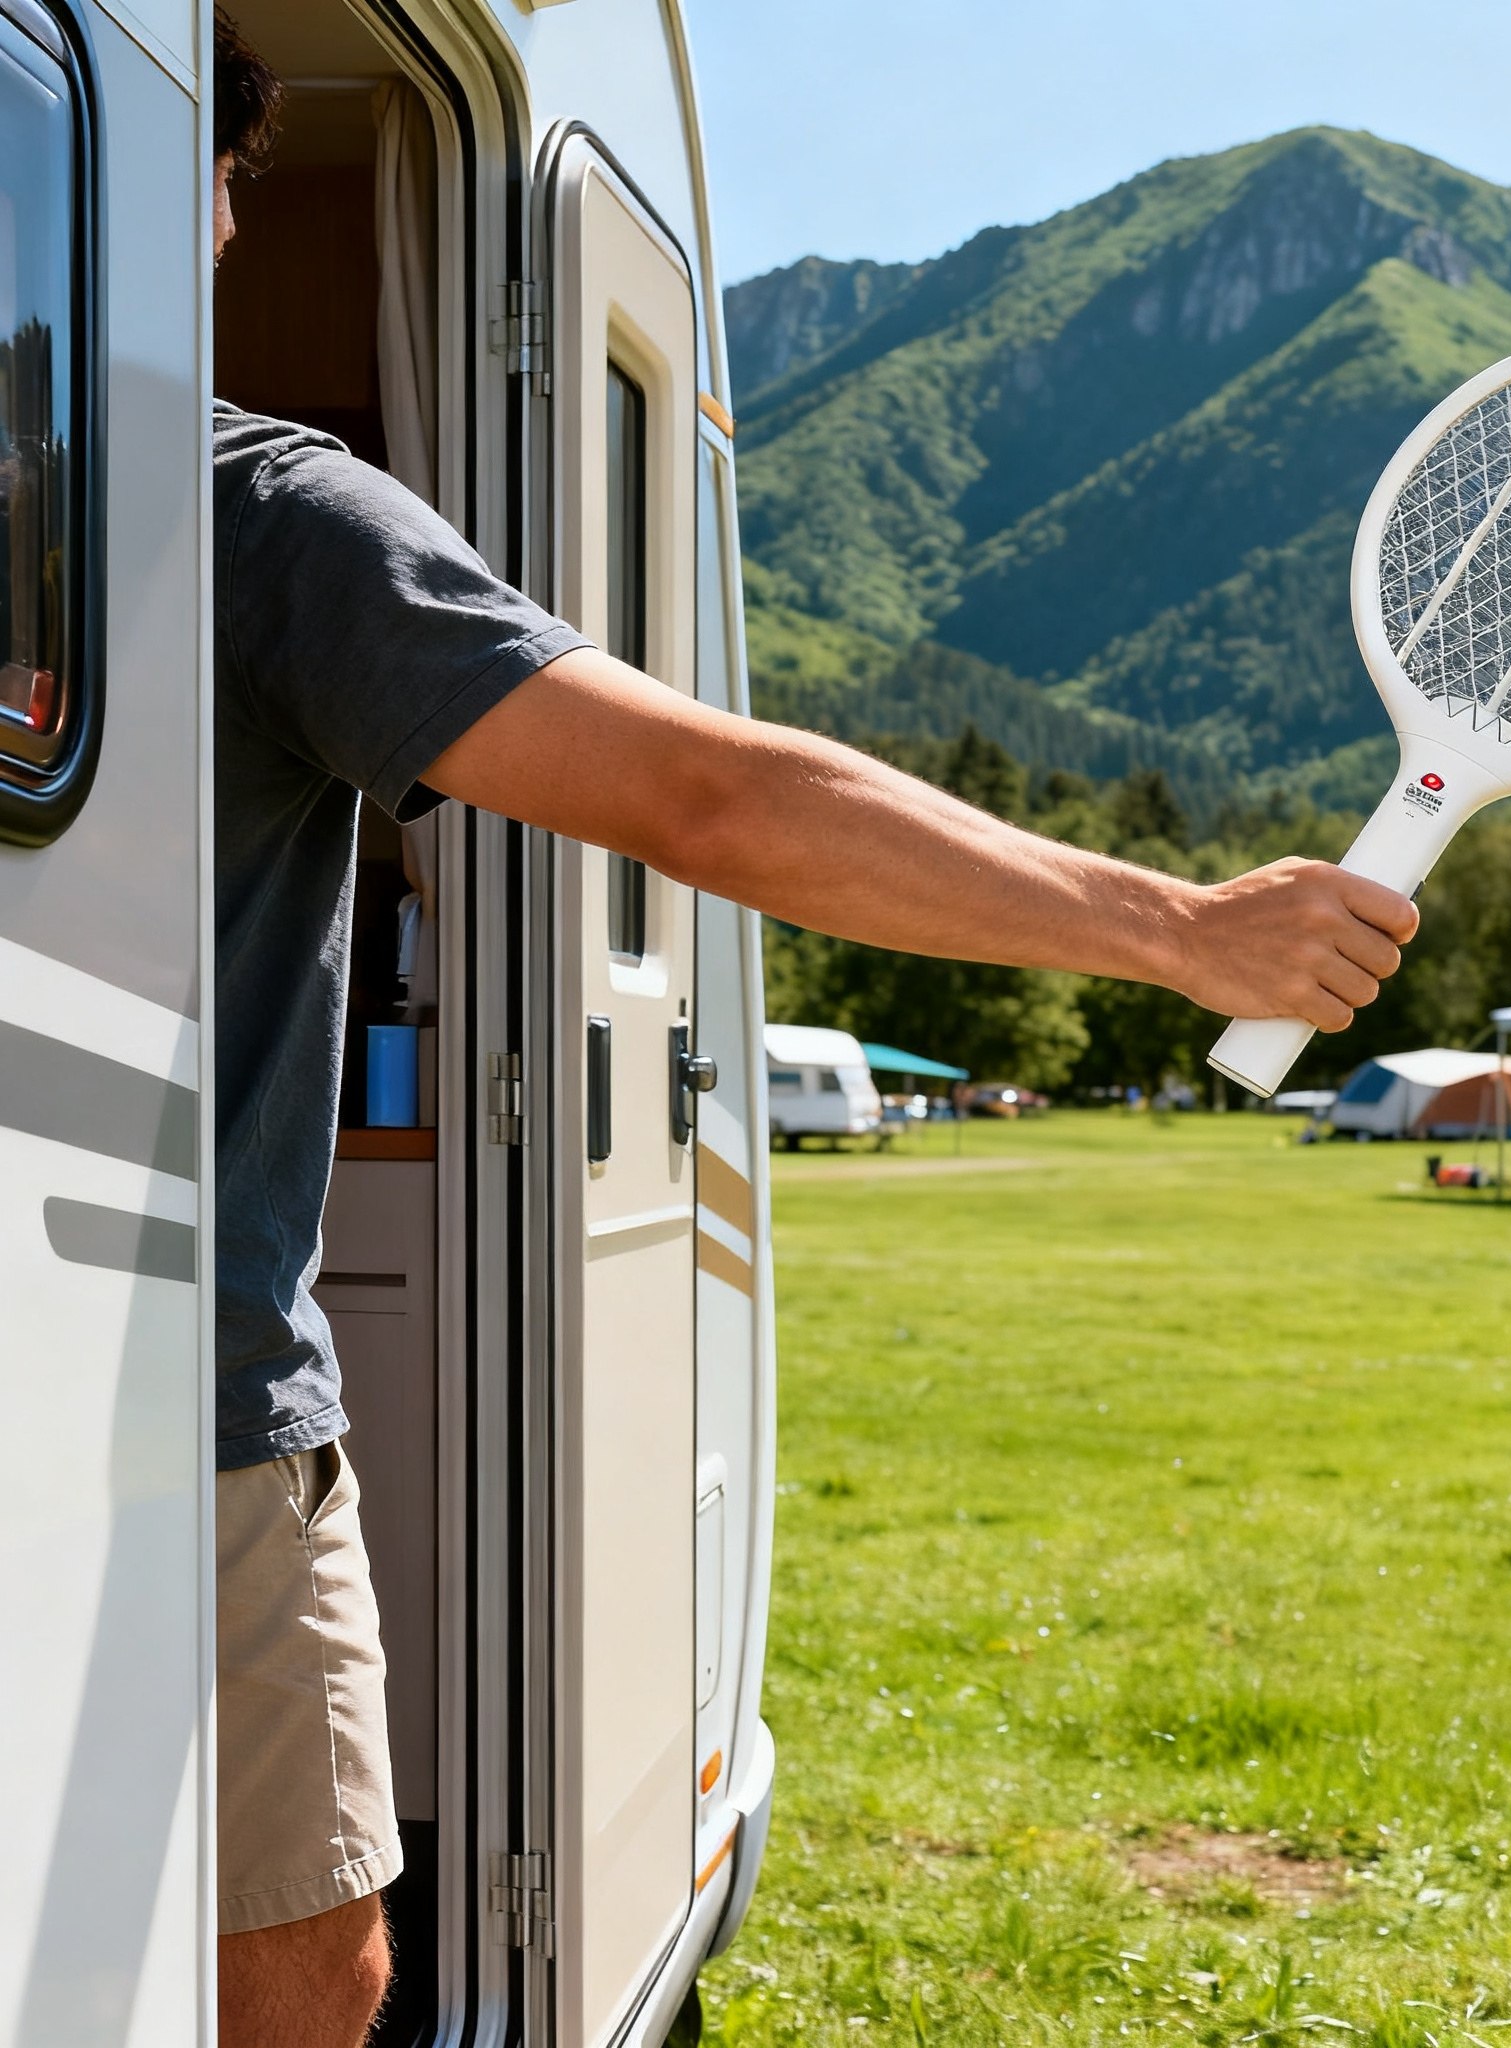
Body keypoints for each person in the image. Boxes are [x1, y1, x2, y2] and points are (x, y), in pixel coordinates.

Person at [206, 16, 1417, 2045]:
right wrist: (1184, 924)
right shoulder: (266, 518)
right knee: (312, 1975)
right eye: (232, 186)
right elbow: (718, 802)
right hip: (183, 1408)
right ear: (196, 203)